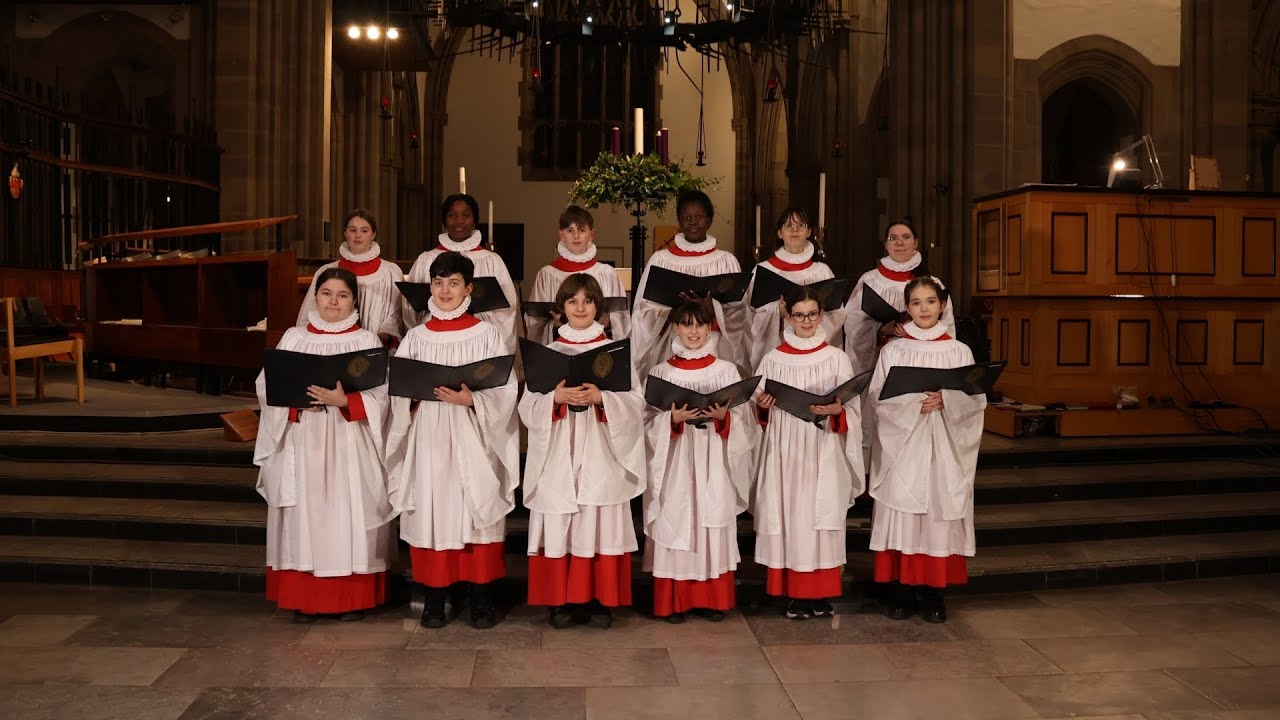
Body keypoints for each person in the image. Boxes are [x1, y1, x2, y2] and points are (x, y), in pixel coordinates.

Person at [386, 252, 519, 629]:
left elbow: (505, 390)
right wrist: (410, 400)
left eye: (454, 283)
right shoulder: (416, 337)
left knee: (474, 509)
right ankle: (434, 598)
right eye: (439, 283)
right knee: (433, 511)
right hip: (428, 433)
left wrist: (472, 399)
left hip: (473, 432)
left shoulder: (486, 334)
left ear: (469, 288)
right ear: (430, 287)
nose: (445, 291)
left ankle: (481, 599)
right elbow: (398, 393)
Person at [255, 267, 393, 622]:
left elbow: (384, 395)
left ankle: (351, 599)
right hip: (303, 439)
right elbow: (266, 386)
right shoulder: (294, 338)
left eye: (343, 295)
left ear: (354, 301)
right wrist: (294, 402)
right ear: (314, 297)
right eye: (327, 293)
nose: (334, 301)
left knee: (348, 512)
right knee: (306, 517)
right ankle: (306, 598)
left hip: (350, 441)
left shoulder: (366, 341)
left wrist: (347, 402)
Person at [519, 274, 645, 628]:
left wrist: (601, 397)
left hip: (600, 449)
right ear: (561, 309)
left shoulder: (616, 352)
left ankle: (598, 600)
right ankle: (561, 600)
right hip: (560, 447)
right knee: (562, 519)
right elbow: (526, 408)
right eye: (572, 302)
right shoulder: (549, 354)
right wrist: (555, 399)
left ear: (599, 309)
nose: (579, 308)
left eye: (587, 301)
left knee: (597, 517)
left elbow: (636, 403)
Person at [867, 277, 985, 624]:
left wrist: (946, 399)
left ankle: (934, 592)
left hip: (944, 446)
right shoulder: (894, 350)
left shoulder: (959, 350)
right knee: (904, 512)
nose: (923, 309)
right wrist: (913, 403)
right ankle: (901, 590)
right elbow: (877, 398)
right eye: (916, 303)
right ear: (906, 308)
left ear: (943, 306)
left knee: (936, 511)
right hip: (904, 444)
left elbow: (976, 400)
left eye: (930, 302)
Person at [752, 286, 864, 619]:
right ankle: (794, 594)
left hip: (823, 445)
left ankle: (821, 593)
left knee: (821, 515)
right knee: (791, 514)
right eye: (799, 315)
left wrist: (838, 412)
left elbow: (853, 407)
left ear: (822, 316)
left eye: (812, 314)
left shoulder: (836, 357)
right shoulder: (773, 358)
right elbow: (757, 405)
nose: (806, 321)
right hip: (785, 446)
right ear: (788, 315)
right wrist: (763, 407)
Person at [643, 300, 759, 622]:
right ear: (676, 329)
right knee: (677, 518)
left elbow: (746, 422)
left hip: (713, 457)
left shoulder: (726, 371)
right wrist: (671, 421)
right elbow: (644, 423)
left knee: (710, 517)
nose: (693, 331)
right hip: (676, 460)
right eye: (686, 324)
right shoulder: (660, 372)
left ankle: (712, 599)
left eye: (700, 324)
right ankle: (673, 601)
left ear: (710, 327)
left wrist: (725, 419)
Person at [842, 220, 955, 458]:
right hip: (881, 360)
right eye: (893, 238)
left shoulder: (932, 283)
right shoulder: (870, 280)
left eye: (905, 237)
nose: (899, 242)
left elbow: (947, 327)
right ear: (886, 244)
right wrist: (882, 329)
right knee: (875, 418)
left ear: (915, 242)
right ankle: (872, 480)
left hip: (922, 363)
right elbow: (852, 323)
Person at [631, 190, 747, 377]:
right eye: (686, 217)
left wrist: (714, 310)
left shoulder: (726, 261)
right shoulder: (660, 260)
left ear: (709, 221)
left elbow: (742, 312)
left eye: (699, 216)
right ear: (679, 221)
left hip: (714, 343)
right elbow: (642, 310)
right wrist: (671, 315)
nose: (692, 222)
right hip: (673, 342)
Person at [403, 194, 521, 357]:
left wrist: (479, 325)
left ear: (474, 220)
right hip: (435, 340)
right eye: (452, 215)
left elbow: (507, 308)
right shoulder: (426, 259)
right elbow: (410, 308)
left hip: (477, 342)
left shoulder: (491, 260)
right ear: (444, 220)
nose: (459, 221)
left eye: (466, 215)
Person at [740, 207, 845, 372]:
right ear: (780, 233)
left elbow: (837, 314)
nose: (795, 229)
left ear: (809, 232)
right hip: (778, 344)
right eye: (789, 225)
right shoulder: (763, 270)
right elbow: (748, 315)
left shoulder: (822, 271)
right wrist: (776, 311)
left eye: (801, 225)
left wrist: (810, 317)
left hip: (814, 348)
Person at [525, 205, 631, 344]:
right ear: (561, 235)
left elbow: (622, 318)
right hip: (561, 345)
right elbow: (534, 323)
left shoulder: (606, 273)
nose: (576, 236)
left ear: (591, 235)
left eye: (582, 230)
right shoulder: (547, 274)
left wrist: (610, 322)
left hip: (598, 345)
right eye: (570, 230)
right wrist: (554, 324)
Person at [296, 209, 403, 344]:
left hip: (377, 345)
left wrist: (382, 336)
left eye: (364, 231)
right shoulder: (327, 271)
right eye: (352, 230)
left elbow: (396, 313)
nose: (358, 235)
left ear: (373, 234)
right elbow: (310, 311)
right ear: (345, 233)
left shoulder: (390, 272)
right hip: (332, 344)